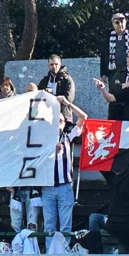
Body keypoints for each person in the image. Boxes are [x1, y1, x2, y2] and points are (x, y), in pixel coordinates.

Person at [40, 97, 87, 237]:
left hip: (65, 186)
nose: (59, 123)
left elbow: (83, 117)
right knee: (49, 225)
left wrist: (68, 104)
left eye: (61, 120)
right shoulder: (42, 139)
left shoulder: (67, 136)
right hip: (48, 186)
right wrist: (50, 151)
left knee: (66, 225)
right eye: (56, 120)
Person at [99, 13, 129, 78]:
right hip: (113, 72)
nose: (120, 24)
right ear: (112, 23)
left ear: (126, 22)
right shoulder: (107, 37)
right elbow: (103, 56)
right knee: (115, 88)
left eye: (122, 21)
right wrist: (103, 74)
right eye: (117, 22)